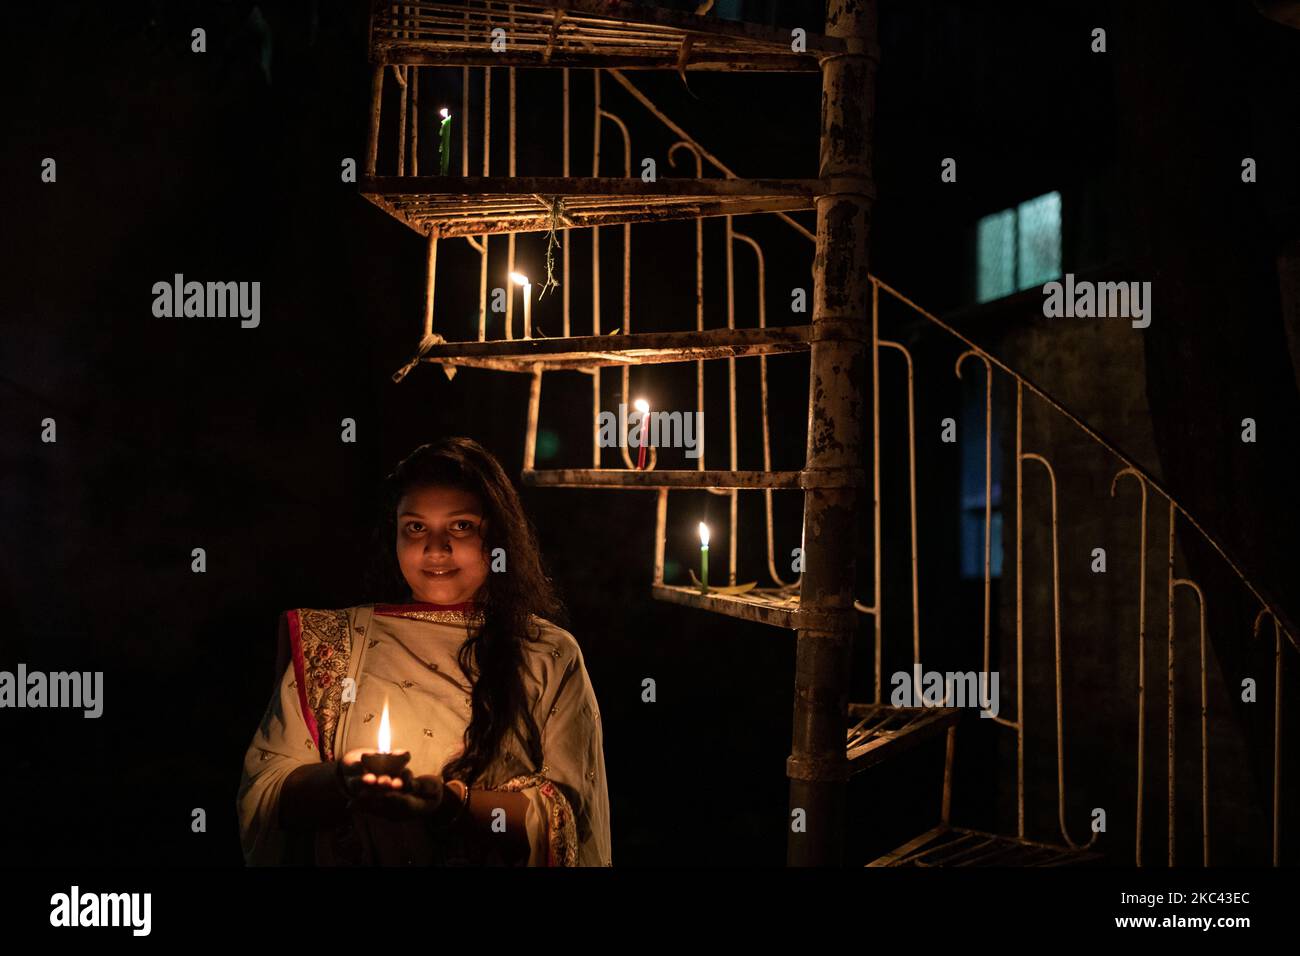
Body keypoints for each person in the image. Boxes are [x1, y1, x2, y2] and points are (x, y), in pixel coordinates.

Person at [236, 437, 611, 866]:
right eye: (415, 527)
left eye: (461, 526)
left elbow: (566, 820)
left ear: (498, 536)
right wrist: (346, 781)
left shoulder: (548, 653)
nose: (436, 548)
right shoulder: (333, 640)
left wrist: (449, 805)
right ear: (393, 535)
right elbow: (266, 795)